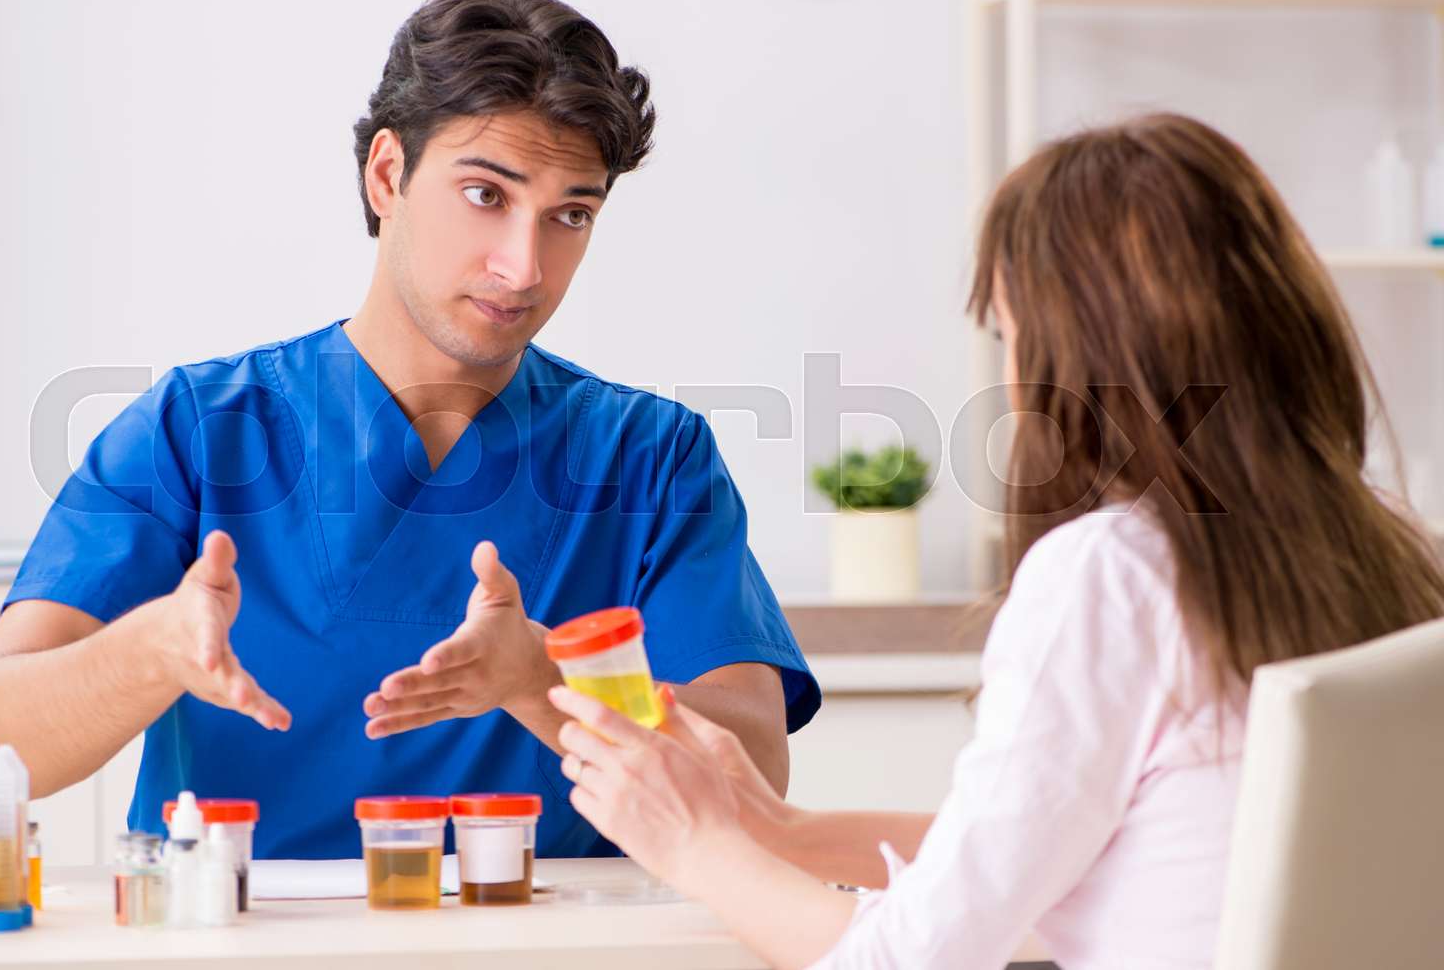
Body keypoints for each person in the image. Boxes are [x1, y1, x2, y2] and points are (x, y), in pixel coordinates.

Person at [548, 113, 1444, 968]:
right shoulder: (1389, 562)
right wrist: (778, 833)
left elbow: (899, 961)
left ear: (1078, 356)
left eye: (1011, 335)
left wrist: (692, 844)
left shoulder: (1111, 577)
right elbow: (1030, 853)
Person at [0, 0, 819, 859]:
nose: (524, 266)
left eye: (570, 215)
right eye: (488, 195)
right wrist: (148, 651)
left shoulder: (650, 458)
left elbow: (751, 772)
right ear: (387, 174)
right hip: (250, 938)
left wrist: (542, 677)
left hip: (554, 940)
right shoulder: (196, 431)